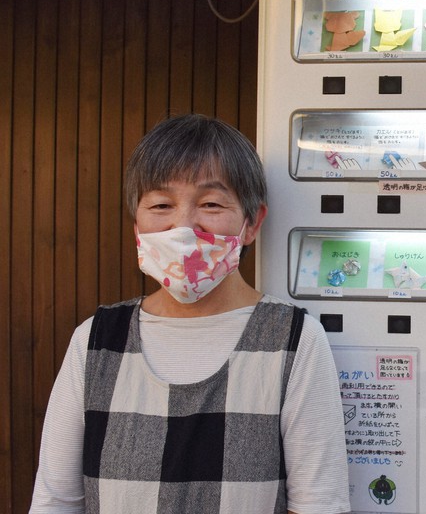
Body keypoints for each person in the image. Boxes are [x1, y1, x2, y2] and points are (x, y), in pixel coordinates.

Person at [30, 114, 351, 514]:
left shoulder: (295, 339)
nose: (183, 227)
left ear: (251, 223)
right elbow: (56, 502)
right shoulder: (95, 340)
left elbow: (320, 504)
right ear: (137, 226)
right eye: (162, 204)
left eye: (211, 204)